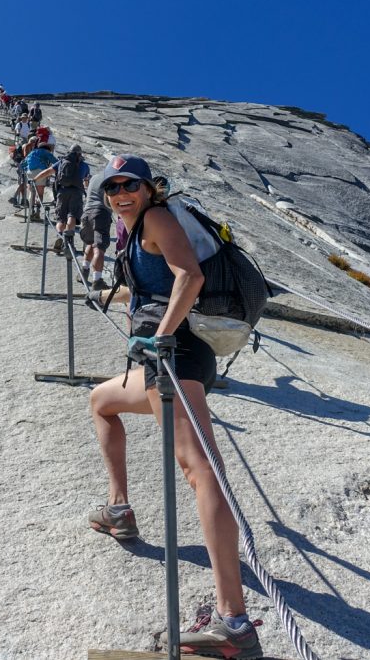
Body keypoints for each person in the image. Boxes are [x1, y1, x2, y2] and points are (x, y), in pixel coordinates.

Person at [87, 154, 262, 658]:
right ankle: (118, 509)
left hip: (175, 354)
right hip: (168, 356)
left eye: (130, 184)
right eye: (111, 186)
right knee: (101, 401)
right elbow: (158, 283)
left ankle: (234, 621)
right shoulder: (137, 230)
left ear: (148, 189)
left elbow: (189, 277)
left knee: (200, 467)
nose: (120, 192)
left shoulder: (158, 218)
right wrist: (114, 292)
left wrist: (160, 338)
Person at [34, 145, 89, 253]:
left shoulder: (62, 162)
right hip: (77, 192)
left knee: (61, 218)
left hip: (62, 191)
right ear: (80, 154)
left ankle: (59, 236)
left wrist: (35, 179)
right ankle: (69, 242)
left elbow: (47, 172)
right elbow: (86, 182)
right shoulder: (84, 165)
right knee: (72, 215)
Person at [80, 174, 112, 289]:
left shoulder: (94, 177)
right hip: (101, 213)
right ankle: (97, 281)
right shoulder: (111, 177)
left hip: (87, 213)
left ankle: (84, 270)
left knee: (90, 243)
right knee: (99, 248)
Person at [21, 139, 60, 217]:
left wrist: (27, 171)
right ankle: (37, 212)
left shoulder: (32, 152)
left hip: (29, 172)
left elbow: (23, 164)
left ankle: (31, 211)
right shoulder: (45, 152)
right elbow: (56, 162)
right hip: (40, 172)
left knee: (32, 192)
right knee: (40, 194)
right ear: (47, 148)